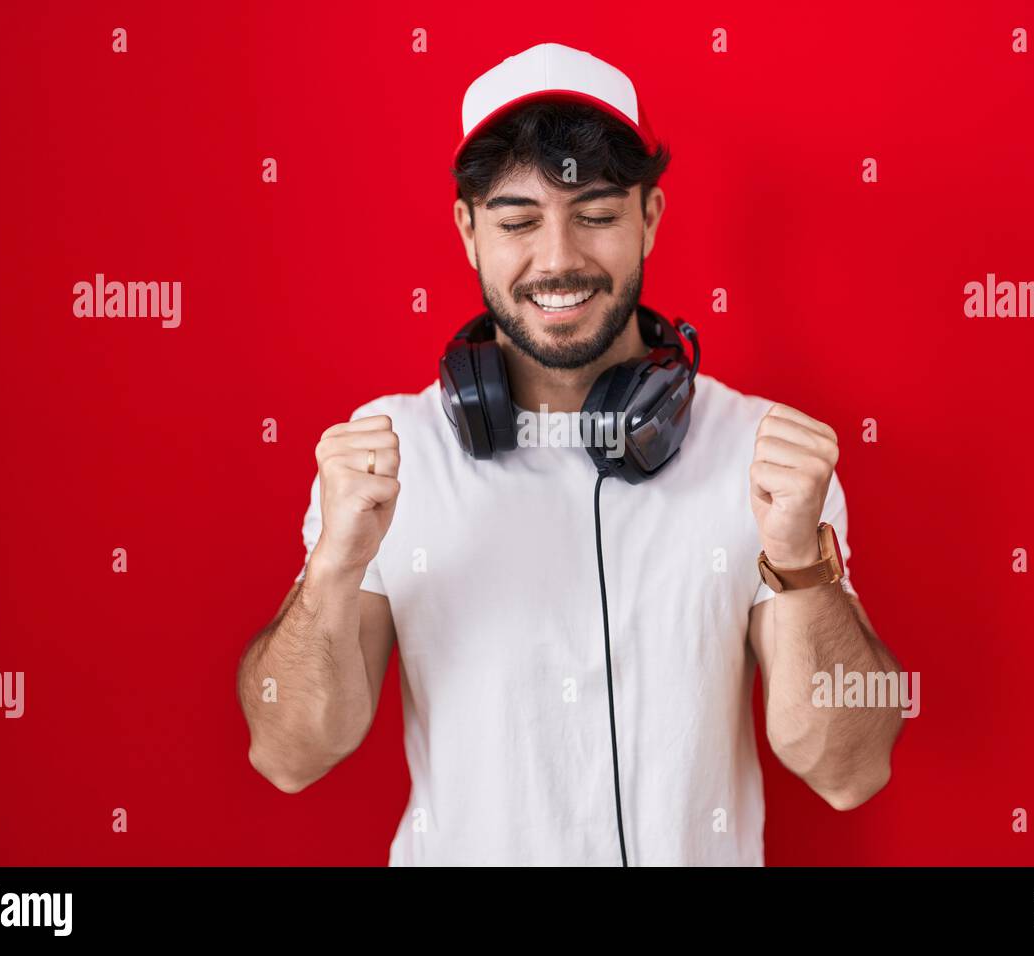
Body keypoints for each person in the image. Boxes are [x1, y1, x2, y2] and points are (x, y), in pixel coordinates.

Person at [237, 42, 902, 866]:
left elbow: (850, 768)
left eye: (593, 214)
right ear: (468, 231)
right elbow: (289, 755)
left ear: (649, 217)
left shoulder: (764, 456)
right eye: (518, 221)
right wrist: (335, 565)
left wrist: (801, 560)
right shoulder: (388, 459)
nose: (557, 259)